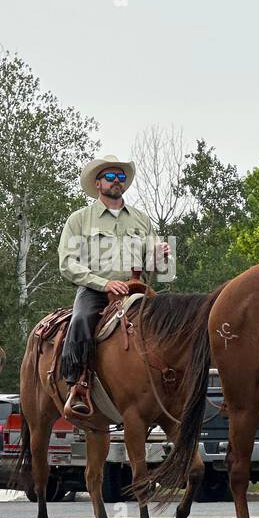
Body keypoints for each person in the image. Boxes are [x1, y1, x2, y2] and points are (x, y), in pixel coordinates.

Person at [56, 154, 167, 418]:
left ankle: (167, 383)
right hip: (96, 289)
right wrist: (105, 283)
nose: (117, 181)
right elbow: (67, 264)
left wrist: (160, 257)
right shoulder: (80, 219)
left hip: (138, 289)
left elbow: (159, 270)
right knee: (81, 319)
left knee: (167, 322)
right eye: (111, 177)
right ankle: (79, 384)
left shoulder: (141, 219)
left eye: (121, 177)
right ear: (98, 183)